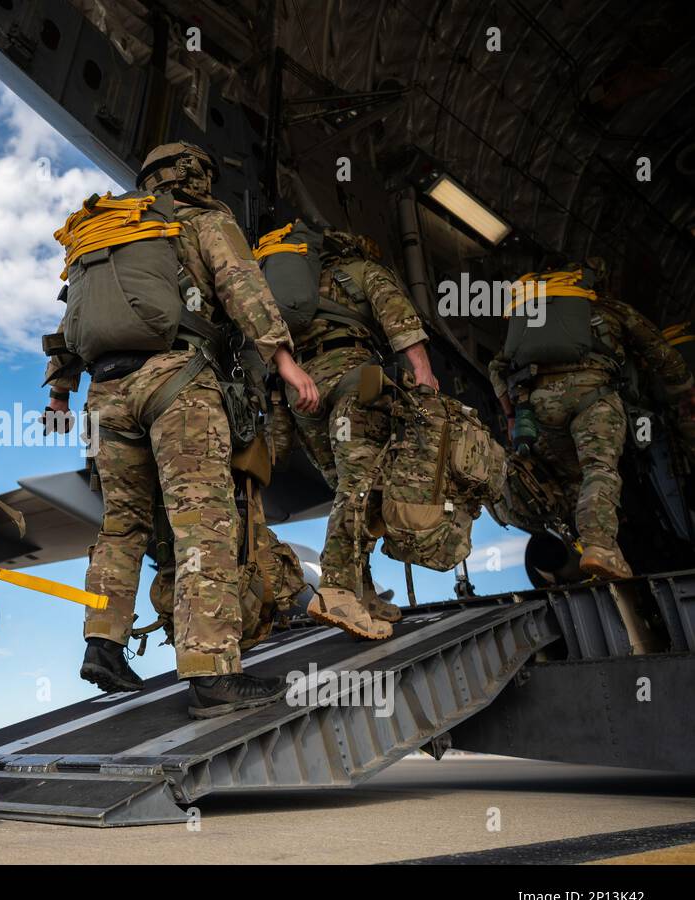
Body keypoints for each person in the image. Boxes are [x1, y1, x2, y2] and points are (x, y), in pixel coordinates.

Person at [43, 141, 319, 718]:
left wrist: (60, 392)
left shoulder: (108, 231)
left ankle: (104, 644)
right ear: (197, 174)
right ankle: (212, 674)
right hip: (179, 381)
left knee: (122, 525)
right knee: (202, 524)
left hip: (104, 394)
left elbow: (69, 321)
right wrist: (285, 360)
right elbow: (242, 284)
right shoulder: (202, 221)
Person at [489, 257, 695, 579]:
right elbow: (660, 352)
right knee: (599, 467)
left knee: (572, 480)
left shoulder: (530, 318)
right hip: (593, 398)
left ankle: (588, 550)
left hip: (539, 407)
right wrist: (684, 388)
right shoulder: (611, 310)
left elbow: (497, 367)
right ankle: (601, 547)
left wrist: (513, 415)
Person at [281, 231, 440, 640]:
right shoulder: (362, 272)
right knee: (363, 486)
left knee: (346, 488)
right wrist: (423, 373)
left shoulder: (290, 289)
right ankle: (335, 588)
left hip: (302, 391)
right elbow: (400, 320)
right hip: (353, 376)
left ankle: (363, 592)